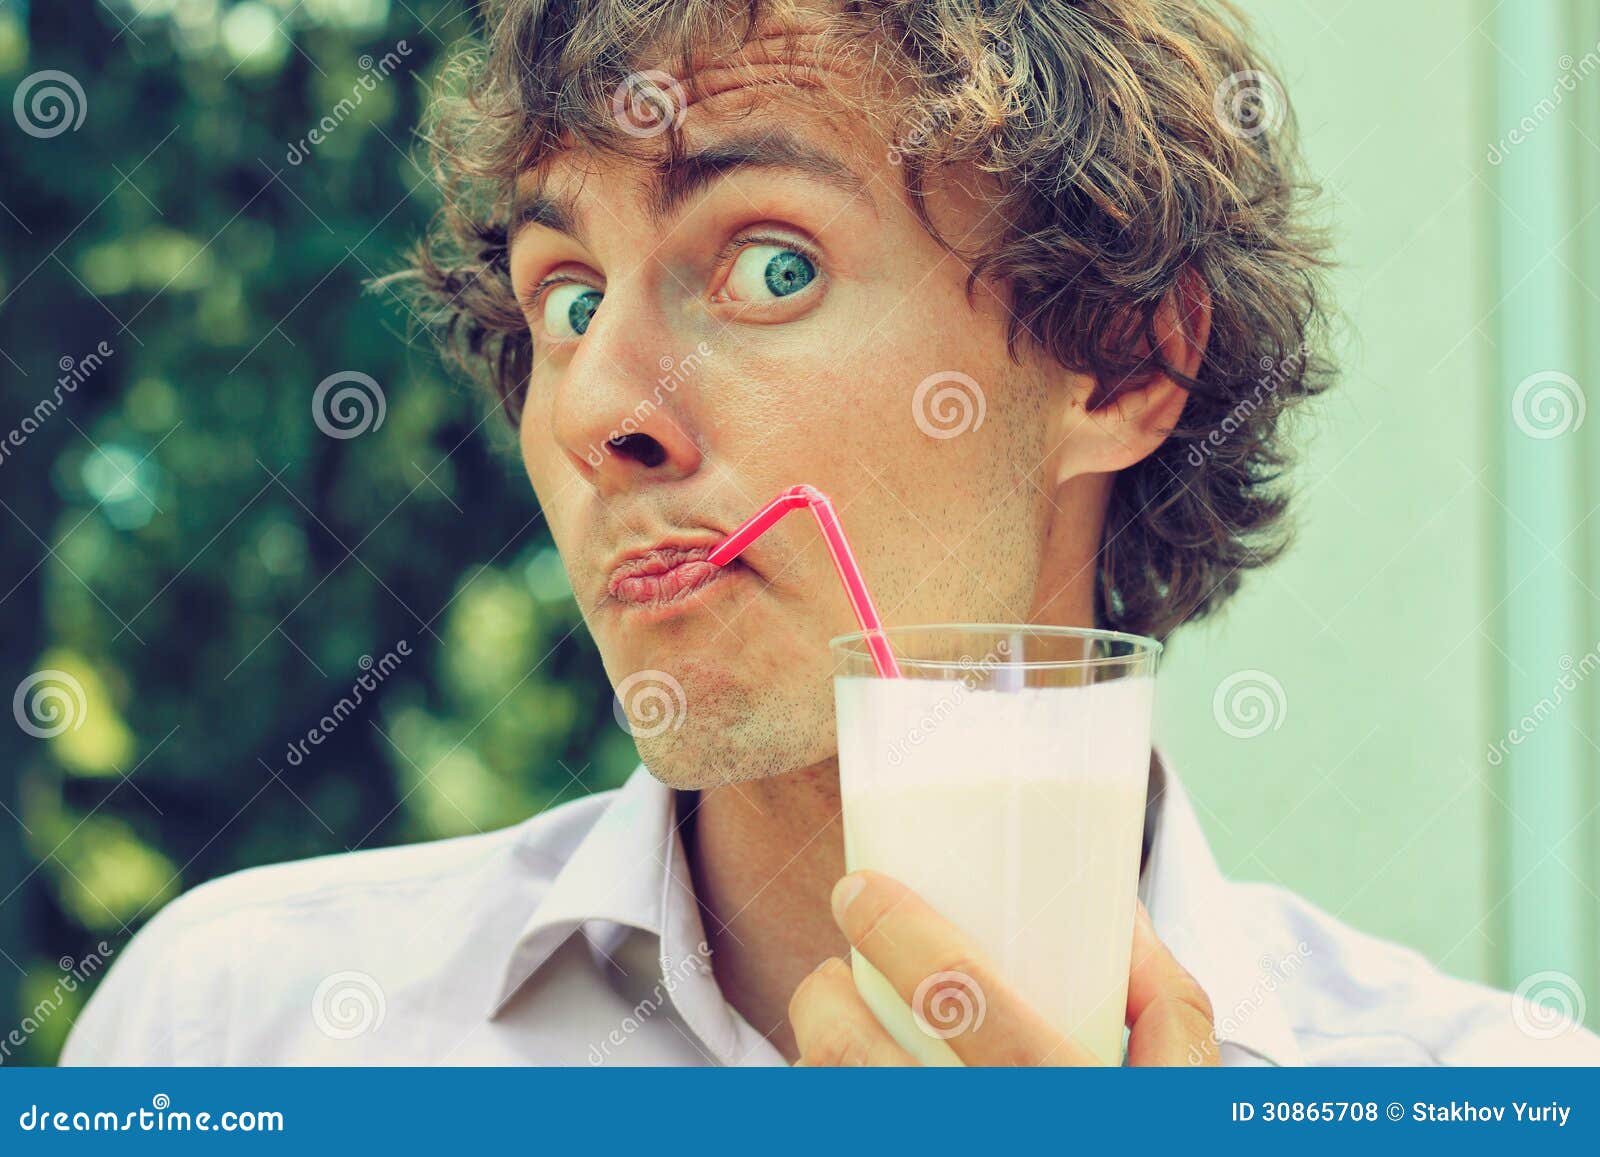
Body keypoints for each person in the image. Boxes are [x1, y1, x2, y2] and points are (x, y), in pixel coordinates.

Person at [63, 0, 1599, 1067]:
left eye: (769, 267)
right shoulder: (239, 1025)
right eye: (568, 295)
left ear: (1124, 357)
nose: (600, 402)